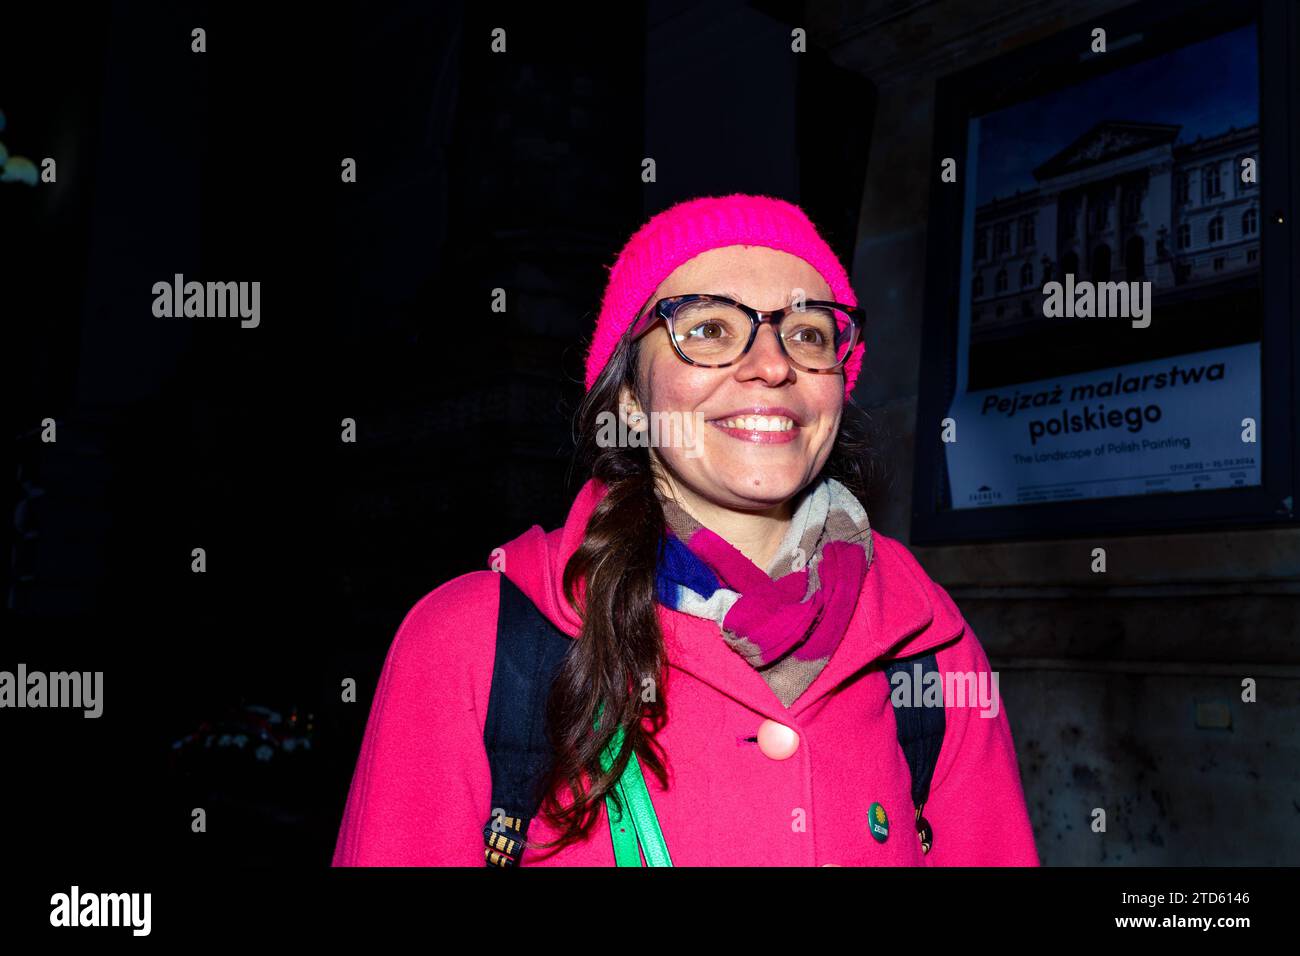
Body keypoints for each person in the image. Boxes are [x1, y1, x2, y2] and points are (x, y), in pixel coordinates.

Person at [332, 193, 1040, 867]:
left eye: (807, 332)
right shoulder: (474, 643)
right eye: (707, 329)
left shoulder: (927, 646)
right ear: (633, 400)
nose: (772, 365)